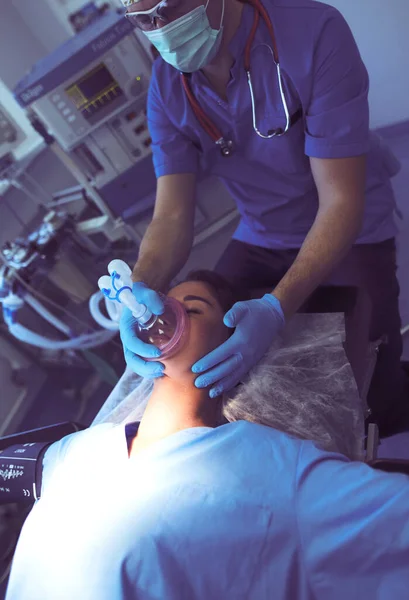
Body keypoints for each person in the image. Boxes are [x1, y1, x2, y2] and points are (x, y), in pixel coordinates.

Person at [5, 271, 409, 600]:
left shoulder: (272, 471)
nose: (165, 314)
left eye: (193, 308)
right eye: (163, 303)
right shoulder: (80, 450)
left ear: (237, 344)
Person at [118, 0, 409, 439]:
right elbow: (172, 216)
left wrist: (276, 308)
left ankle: (390, 413)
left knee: (370, 360)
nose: (161, 28)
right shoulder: (167, 87)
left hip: (350, 224)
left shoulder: (313, 35)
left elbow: (340, 203)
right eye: (144, 20)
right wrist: (138, 287)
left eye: (169, 7)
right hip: (262, 230)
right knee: (210, 325)